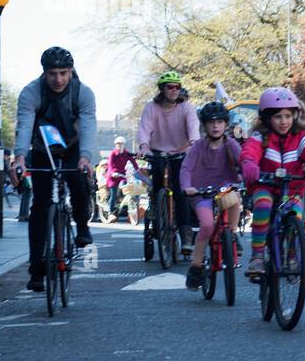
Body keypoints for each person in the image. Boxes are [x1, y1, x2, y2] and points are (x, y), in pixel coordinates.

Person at [12, 47, 98, 291]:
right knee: (40, 206)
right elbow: (25, 125)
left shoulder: (83, 93)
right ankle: (36, 270)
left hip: (73, 146)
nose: (58, 79)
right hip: (42, 149)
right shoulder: (31, 92)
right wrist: (19, 157)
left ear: (71, 72)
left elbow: (89, 126)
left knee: (78, 180)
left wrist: (85, 158)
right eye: (52, 74)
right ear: (44, 73)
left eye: (63, 73)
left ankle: (82, 225)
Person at [240, 87, 305, 279]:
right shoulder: (261, 137)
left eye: (287, 116)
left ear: (294, 115)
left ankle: (292, 253)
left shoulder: (301, 137)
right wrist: (249, 164)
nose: (283, 121)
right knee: (263, 207)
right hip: (265, 186)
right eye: (277, 117)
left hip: (292, 189)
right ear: (267, 118)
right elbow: (250, 150)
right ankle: (257, 256)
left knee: (296, 214)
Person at [181, 102, 246, 289]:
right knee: (207, 225)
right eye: (211, 122)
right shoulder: (198, 147)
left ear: (226, 124)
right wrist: (187, 186)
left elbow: (244, 164)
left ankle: (232, 233)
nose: (215, 126)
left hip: (225, 189)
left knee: (234, 197)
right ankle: (196, 265)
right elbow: (186, 168)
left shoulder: (232, 145)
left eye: (219, 122)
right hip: (201, 193)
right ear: (204, 125)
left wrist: (248, 177)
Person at [137, 71, 201, 255]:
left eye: (177, 87)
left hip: (181, 152)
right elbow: (144, 128)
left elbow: (193, 127)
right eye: (170, 87)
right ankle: (159, 217)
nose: (174, 90)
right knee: (158, 186)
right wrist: (143, 146)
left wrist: (194, 144)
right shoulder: (151, 107)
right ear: (162, 89)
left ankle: (186, 233)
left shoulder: (186, 108)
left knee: (181, 193)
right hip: (157, 151)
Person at [104, 137, 141, 223]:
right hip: (113, 176)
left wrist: (138, 170)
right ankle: (110, 213)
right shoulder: (112, 154)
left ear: (124, 145)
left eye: (121, 144)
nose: (119, 146)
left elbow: (133, 161)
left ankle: (127, 208)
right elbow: (110, 165)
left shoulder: (126, 153)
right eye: (118, 144)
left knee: (128, 188)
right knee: (113, 195)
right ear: (115, 145)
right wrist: (113, 172)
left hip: (122, 174)